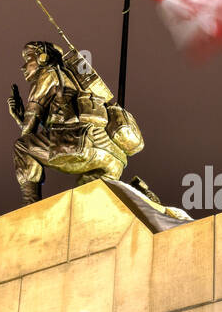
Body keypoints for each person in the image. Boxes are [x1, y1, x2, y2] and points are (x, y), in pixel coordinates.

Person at [9, 41, 142, 206]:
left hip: (83, 145)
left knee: (21, 146)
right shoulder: (74, 80)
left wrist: (22, 119)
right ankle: (142, 195)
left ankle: (31, 208)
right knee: (82, 205)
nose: (23, 67)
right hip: (113, 160)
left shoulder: (47, 75)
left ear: (43, 58)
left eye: (28, 58)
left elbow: (28, 131)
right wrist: (19, 118)